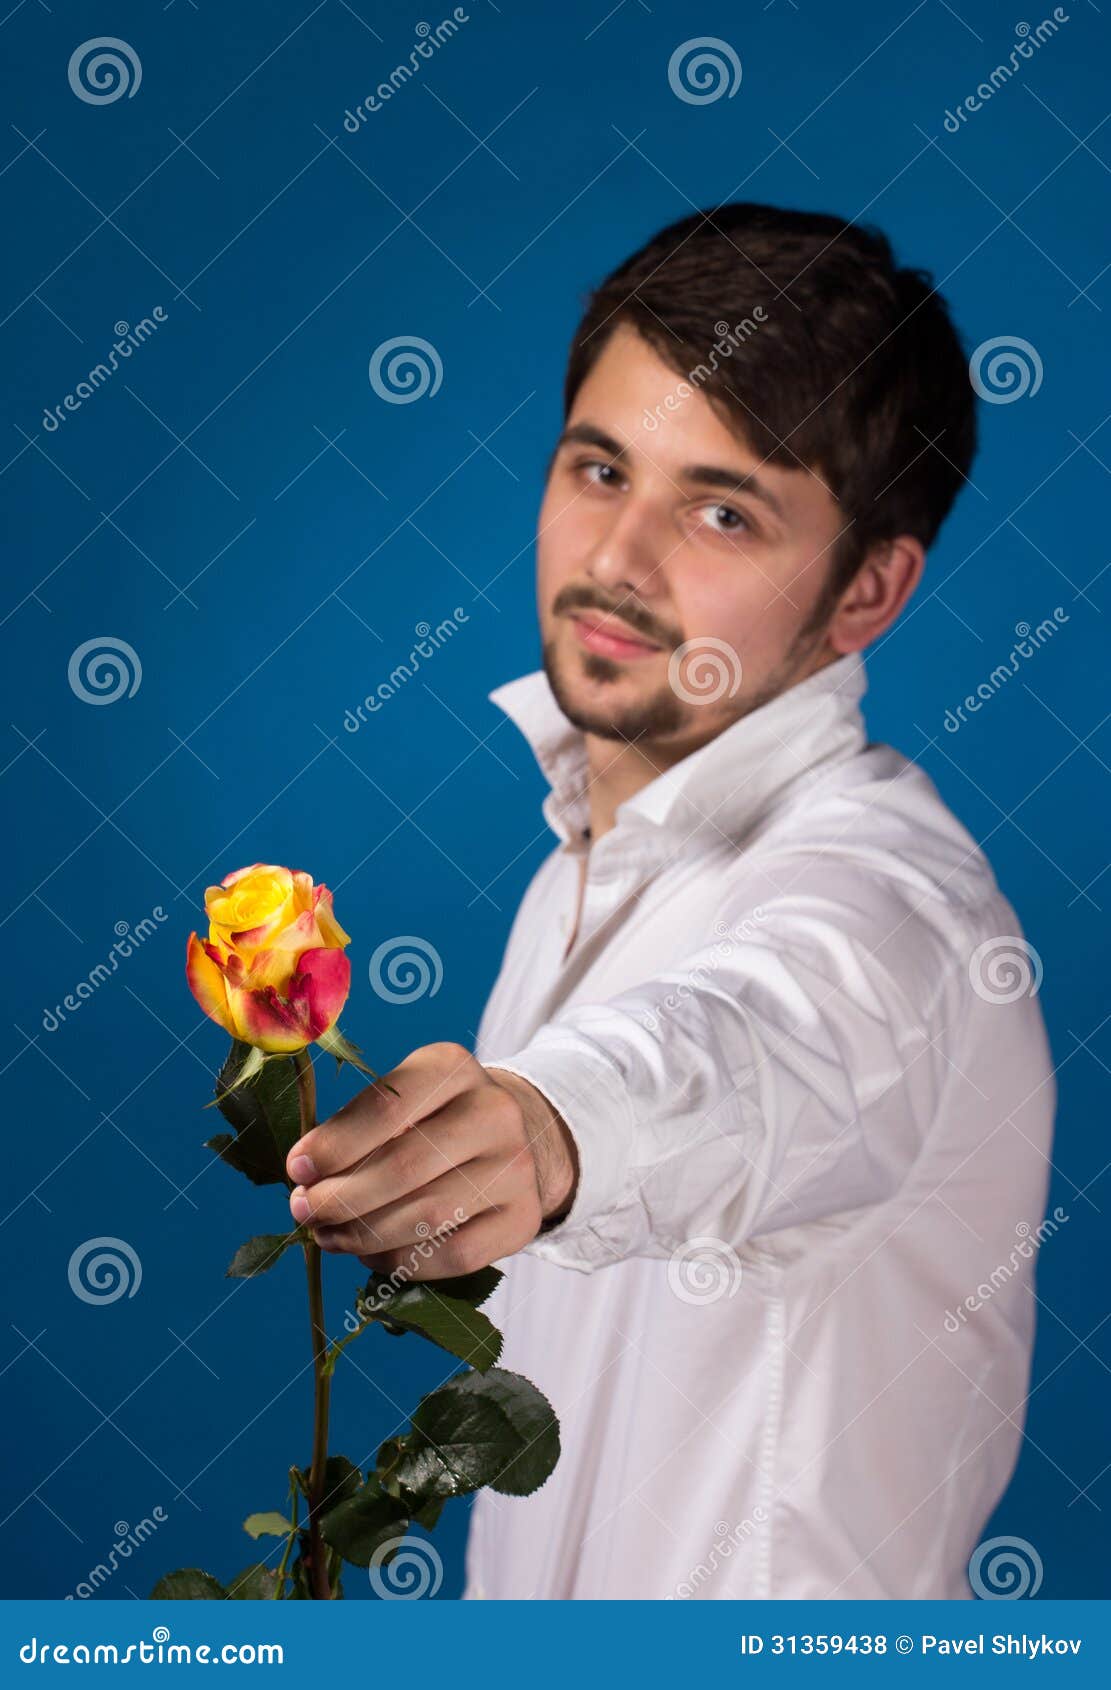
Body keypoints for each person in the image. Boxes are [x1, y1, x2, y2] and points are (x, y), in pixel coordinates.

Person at [285, 204, 1056, 1599]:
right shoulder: (569, 875)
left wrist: (555, 1120)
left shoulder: (901, 911)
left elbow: (759, 1043)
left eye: (720, 510)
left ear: (866, 588)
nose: (617, 562)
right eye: (598, 468)